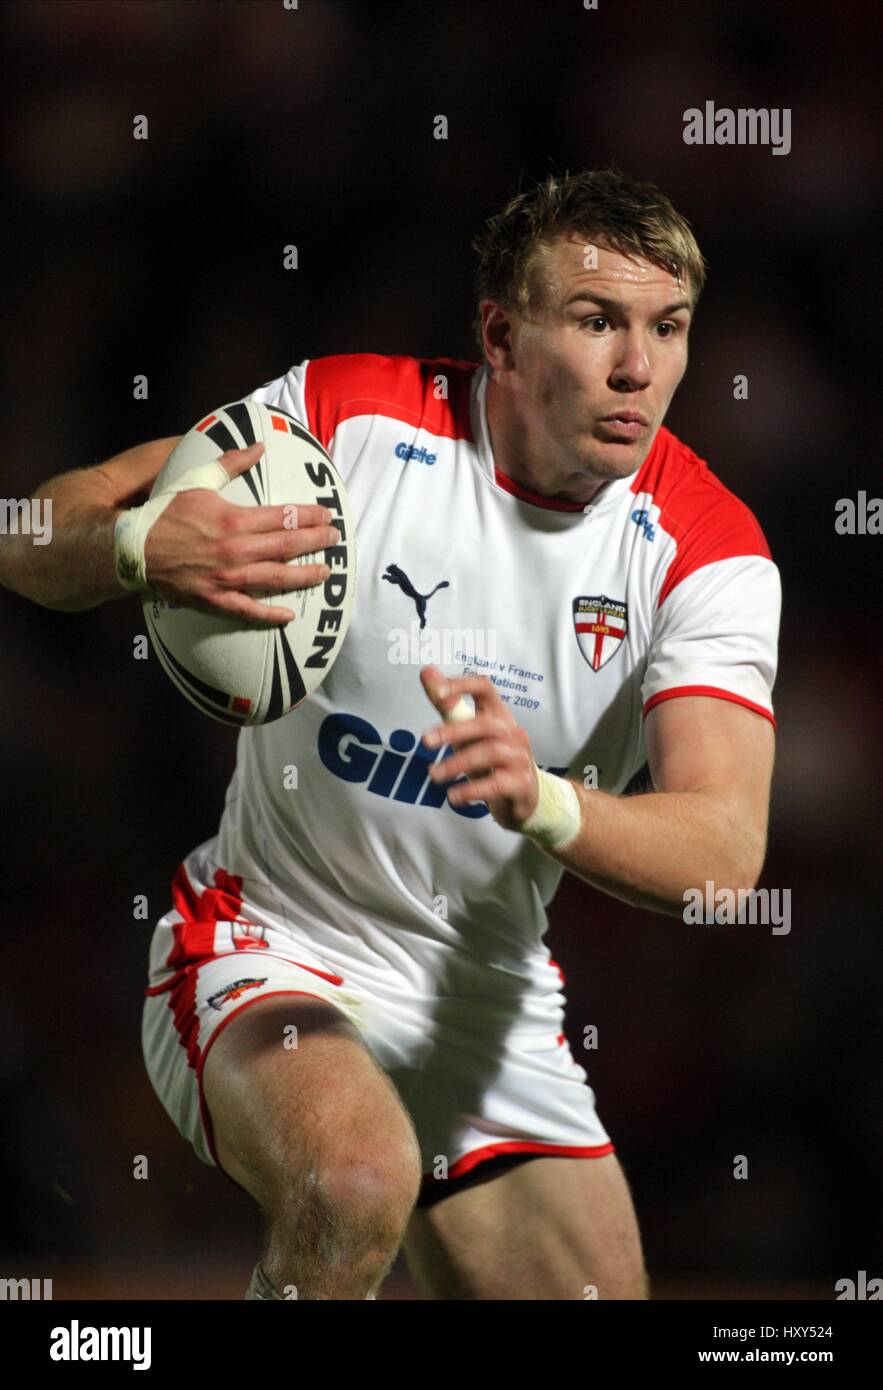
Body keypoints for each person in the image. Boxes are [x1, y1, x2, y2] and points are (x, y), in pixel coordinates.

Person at [1, 167, 780, 1300]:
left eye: (667, 329)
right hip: (265, 943)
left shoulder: (706, 548)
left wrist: (547, 799)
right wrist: (138, 546)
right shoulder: (347, 420)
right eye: (596, 321)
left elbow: (723, 855)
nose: (637, 368)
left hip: (485, 1002)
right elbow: (24, 528)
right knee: (358, 1178)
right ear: (501, 335)